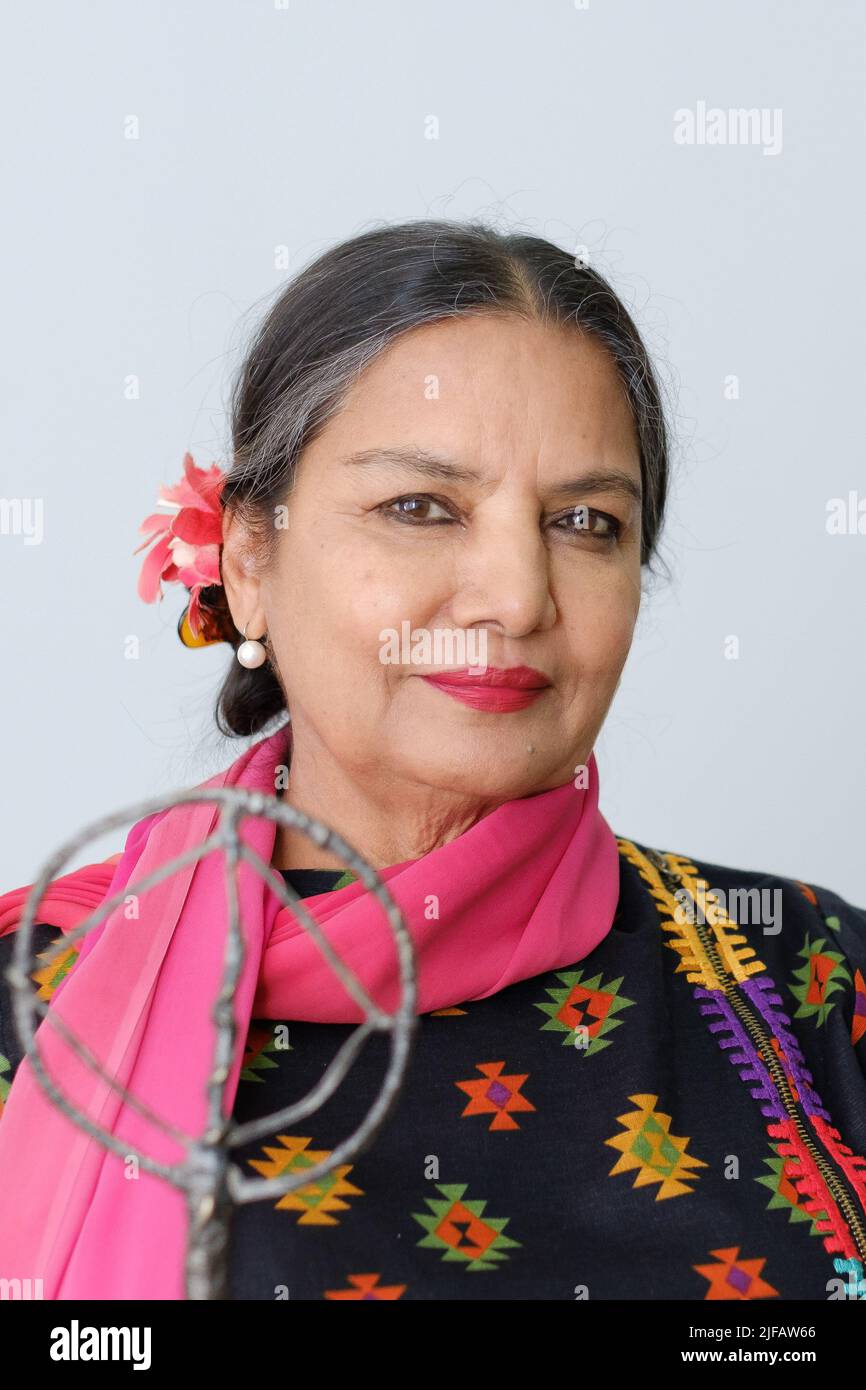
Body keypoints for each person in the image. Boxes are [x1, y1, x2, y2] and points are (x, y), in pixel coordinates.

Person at [1, 220, 864, 1302]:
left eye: (585, 521)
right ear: (250, 560)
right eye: (419, 508)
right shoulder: (35, 1002)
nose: (514, 596)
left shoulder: (808, 980)